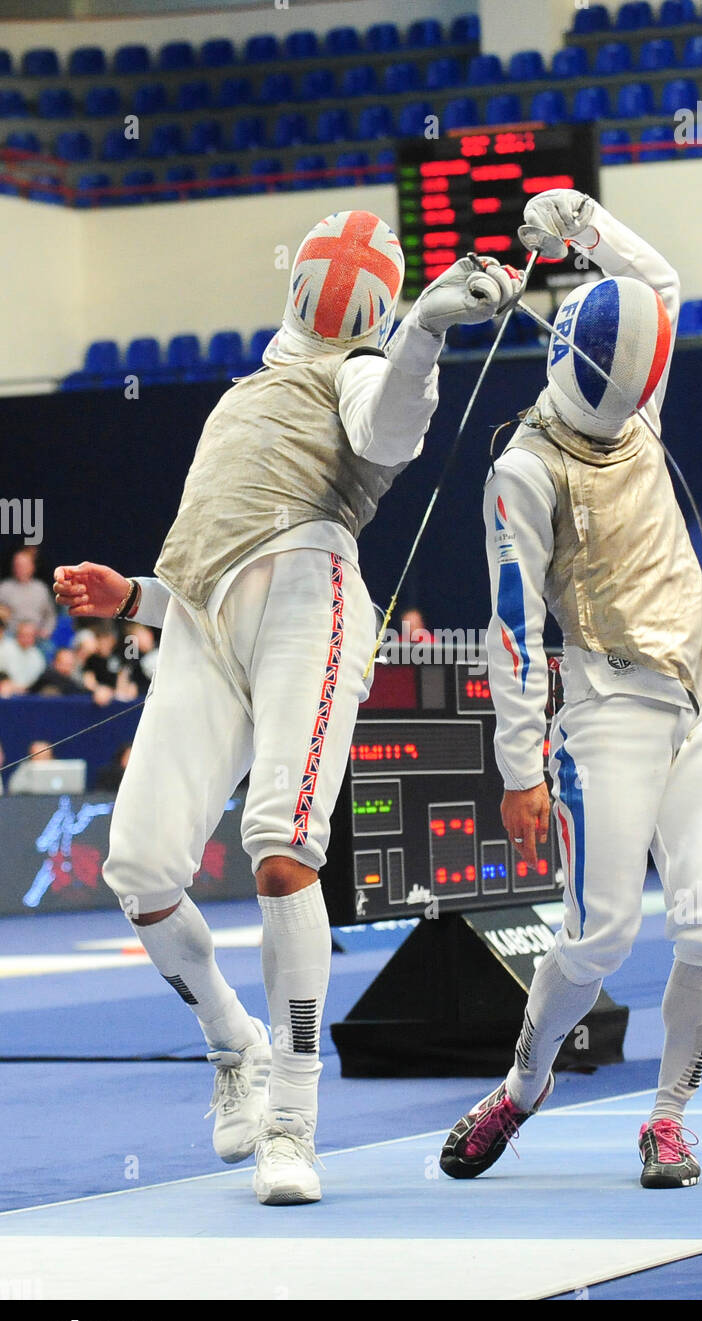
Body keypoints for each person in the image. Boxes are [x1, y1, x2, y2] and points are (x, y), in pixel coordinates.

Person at [54, 210, 522, 1206]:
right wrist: (132, 594)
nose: (334, 287)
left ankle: (293, 1120)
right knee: (135, 865)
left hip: (310, 598)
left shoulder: (362, 373)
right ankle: (236, 1042)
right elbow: (215, 557)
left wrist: (424, 331)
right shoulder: (238, 401)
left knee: (279, 847)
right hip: (199, 626)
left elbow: (389, 426)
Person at [439, 190, 702, 1190]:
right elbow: (511, 630)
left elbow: (656, 287)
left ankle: (665, 1121)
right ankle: (522, 1088)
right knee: (601, 934)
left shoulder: (637, 403)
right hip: (607, 712)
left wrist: (579, 221)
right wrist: (519, 767)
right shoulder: (522, 471)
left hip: (698, 700)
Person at [0, 548, 56, 639]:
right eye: (18, 565)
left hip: (37, 636)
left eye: (24, 565)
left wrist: (46, 630)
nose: (21, 568)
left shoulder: (41, 589)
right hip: (11, 636)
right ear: (13, 567)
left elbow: (50, 616)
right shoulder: (4, 588)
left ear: (32, 567)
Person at [0, 620, 46, 695]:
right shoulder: (4, 647)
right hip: (6, 688)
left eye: (30, 635)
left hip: (30, 691)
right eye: (24, 635)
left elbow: (39, 679)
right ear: (17, 634)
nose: (27, 638)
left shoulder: (37, 655)